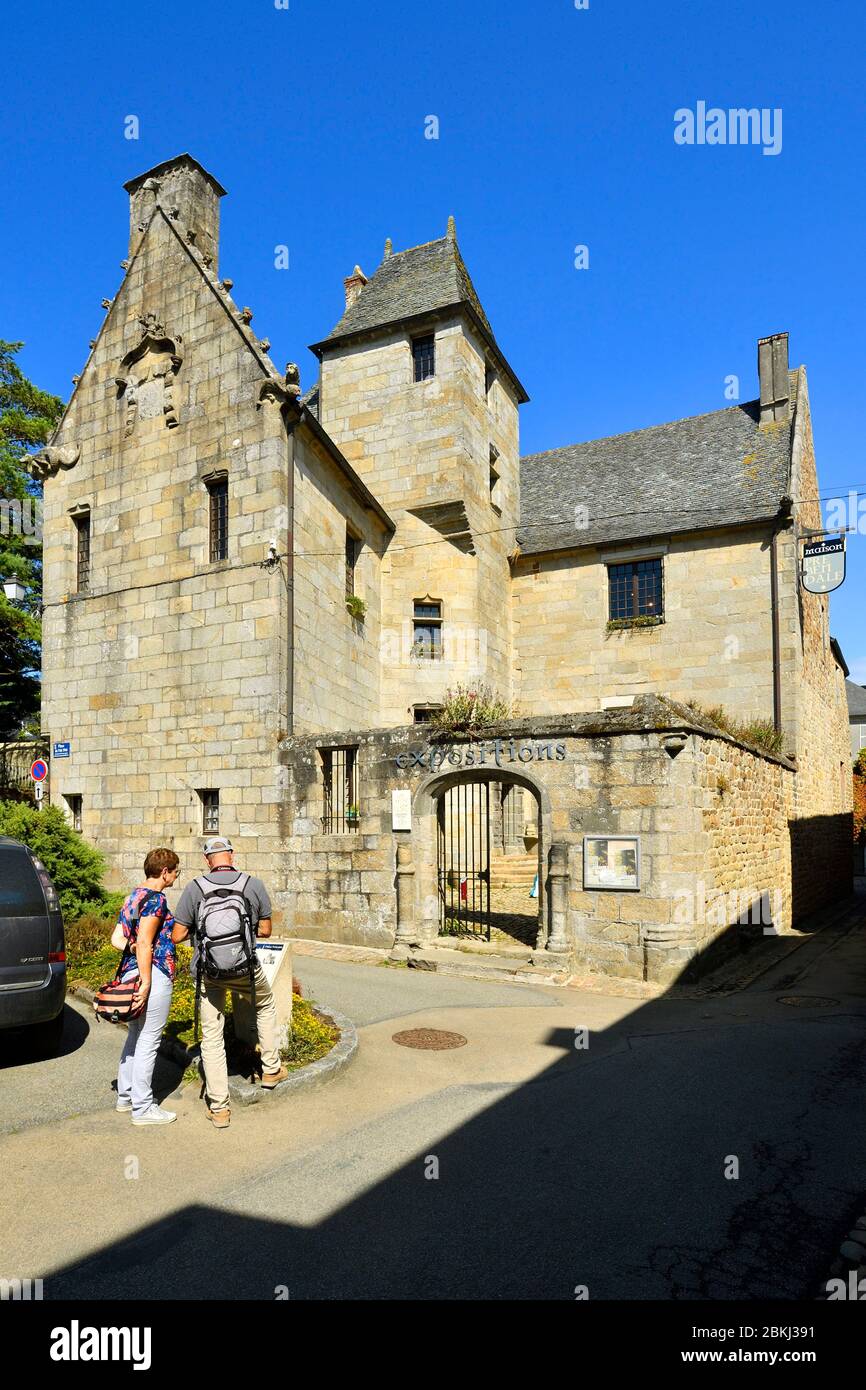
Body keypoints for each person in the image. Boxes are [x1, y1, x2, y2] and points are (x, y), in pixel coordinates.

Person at [172, 837, 288, 1129]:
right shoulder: (253, 884)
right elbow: (265, 929)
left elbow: (177, 935)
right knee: (264, 1004)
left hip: (209, 972)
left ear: (207, 859)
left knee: (212, 1036)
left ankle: (220, 1108)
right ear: (232, 856)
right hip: (245, 968)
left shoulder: (194, 889)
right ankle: (271, 1070)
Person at [114, 848, 182, 1126]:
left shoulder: (134, 896)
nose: (177, 876)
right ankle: (142, 1108)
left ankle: (125, 1096)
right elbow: (145, 942)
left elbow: (118, 938)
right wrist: (147, 979)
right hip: (152, 972)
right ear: (165, 872)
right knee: (149, 1039)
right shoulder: (156, 899)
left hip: (130, 972)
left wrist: (135, 954)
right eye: (176, 871)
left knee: (135, 1034)